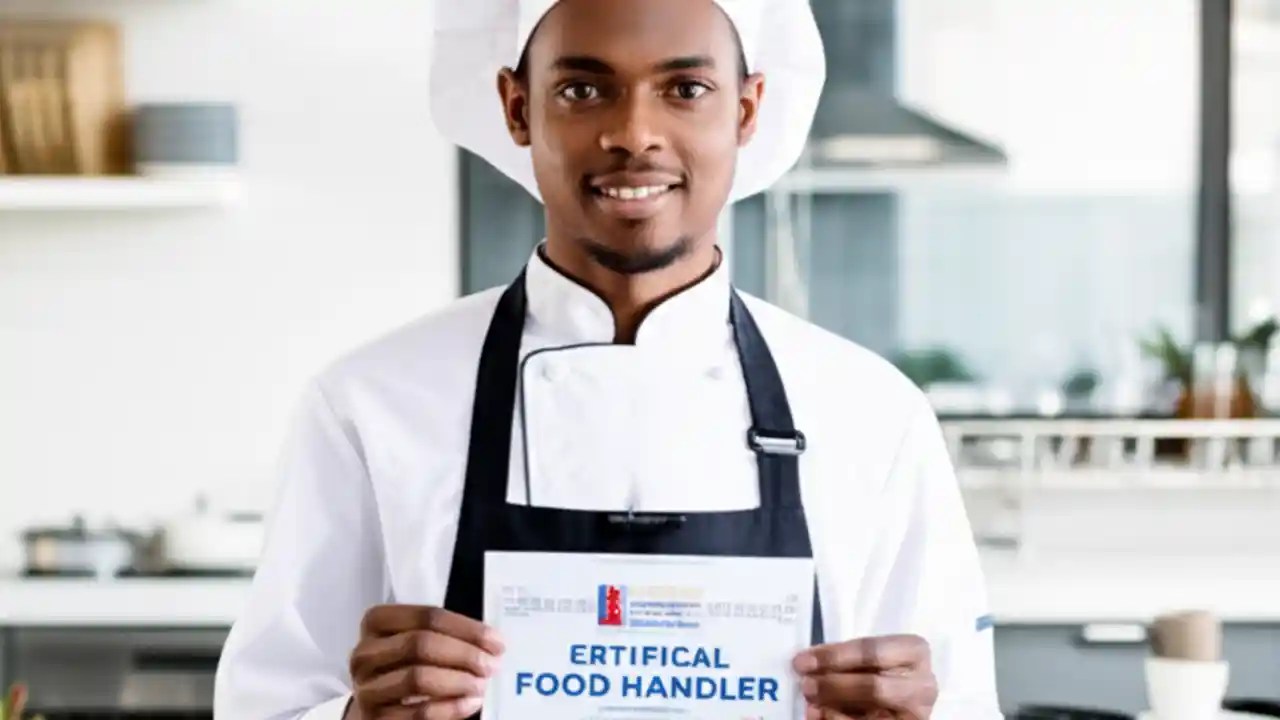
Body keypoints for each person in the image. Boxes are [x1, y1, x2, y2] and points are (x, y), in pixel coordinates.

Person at [214, 0, 1003, 718]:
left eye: (686, 89)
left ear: (746, 109)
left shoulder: (872, 413)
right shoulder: (371, 403)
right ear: (517, 107)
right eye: (583, 90)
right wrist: (357, 717)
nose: (634, 133)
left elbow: (963, 702)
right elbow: (265, 706)